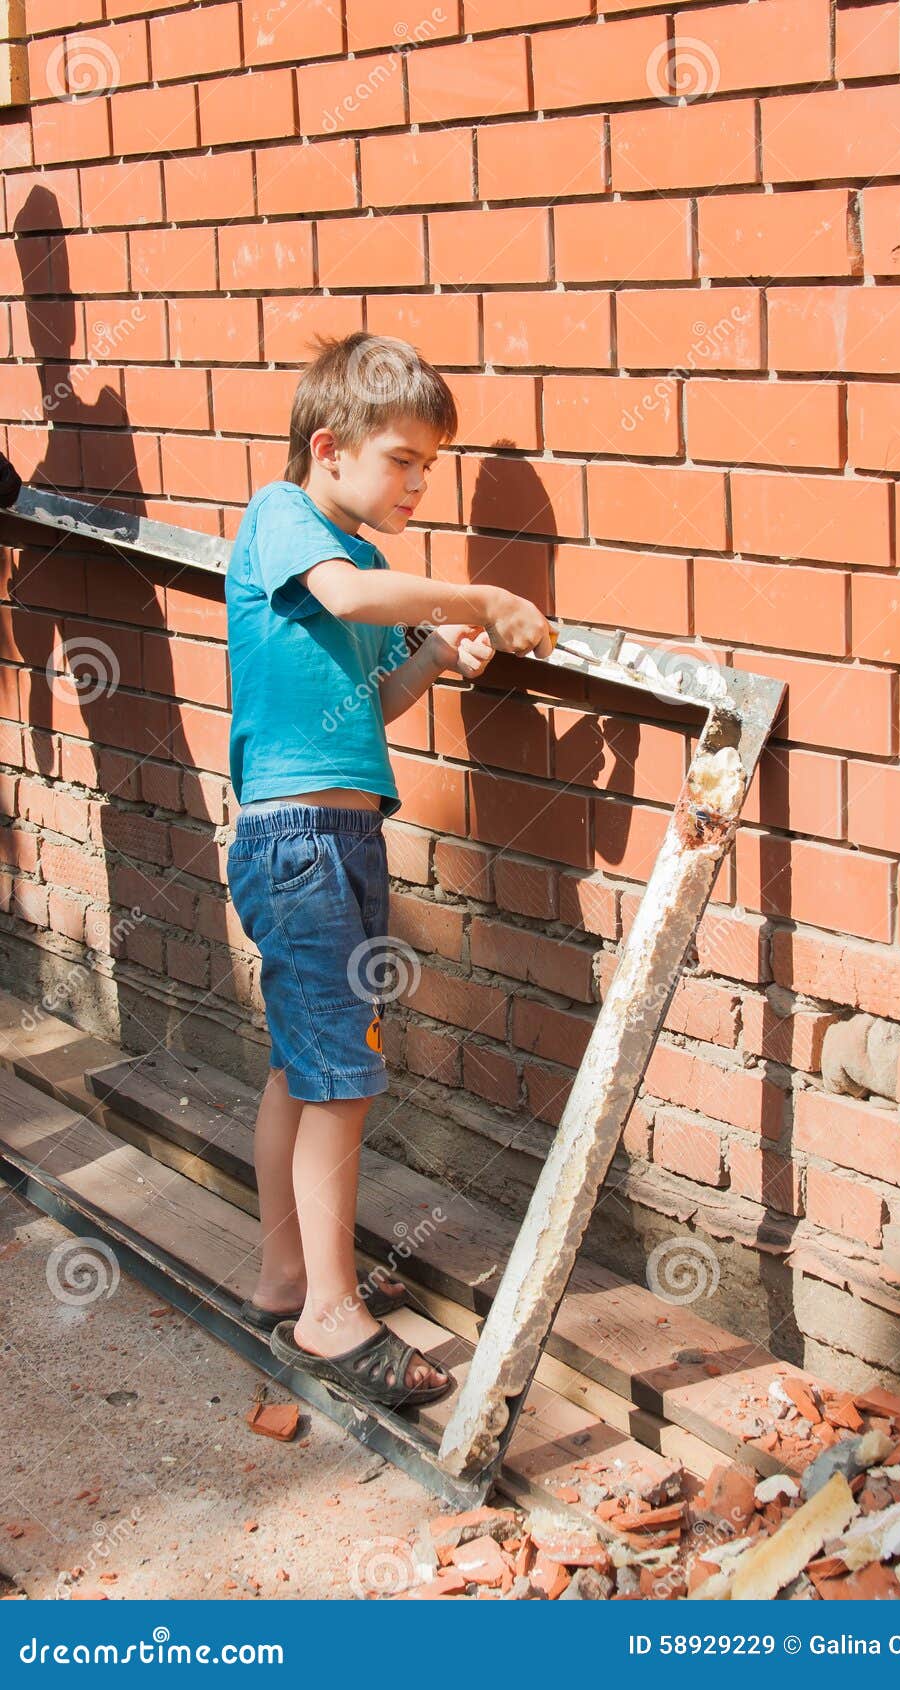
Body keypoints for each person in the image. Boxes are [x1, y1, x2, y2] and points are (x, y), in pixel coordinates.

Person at [224, 332, 552, 1408]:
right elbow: (358, 602)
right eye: (402, 461)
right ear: (329, 448)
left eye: (429, 466)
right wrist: (472, 601)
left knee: (302, 1066)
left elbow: (369, 703)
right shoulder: (286, 518)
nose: (417, 483)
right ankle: (329, 1313)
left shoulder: (362, 568)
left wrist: (428, 660)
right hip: (299, 844)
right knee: (343, 1077)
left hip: (338, 838)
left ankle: (286, 1275)